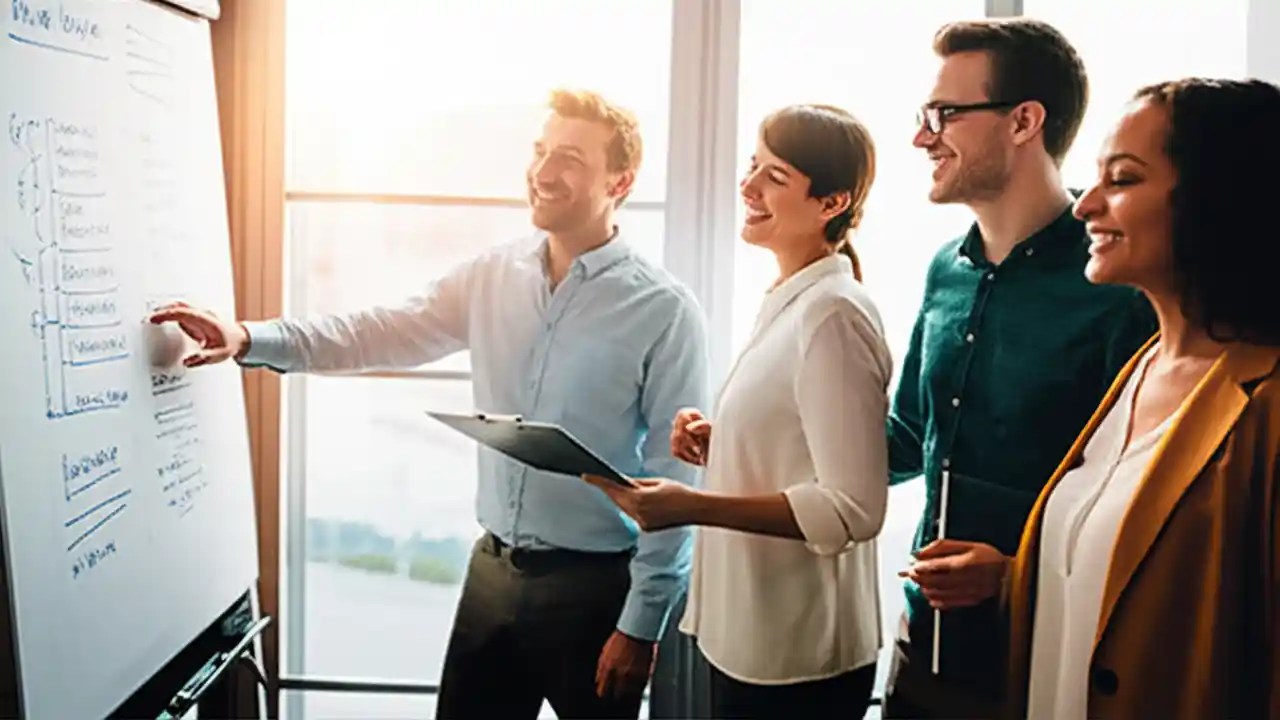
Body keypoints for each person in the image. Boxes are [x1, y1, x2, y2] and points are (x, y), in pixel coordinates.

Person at [150, 89, 709, 720]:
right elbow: (380, 330)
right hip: (491, 574)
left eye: (571, 159)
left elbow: (677, 477)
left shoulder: (663, 310)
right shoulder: (491, 275)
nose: (544, 171)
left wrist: (642, 623)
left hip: (600, 591)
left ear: (621, 179)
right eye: (540, 150)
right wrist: (249, 337)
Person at [927, 77, 1280, 720]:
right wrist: (1016, 578)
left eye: (1122, 179)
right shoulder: (1142, 369)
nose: (1086, 205)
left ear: (1220, 197)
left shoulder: (1267, 406)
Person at [884, 18, 1156, 718]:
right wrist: (742, 444)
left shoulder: (1119, 289)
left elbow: (1145, 509)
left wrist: (1017, 573)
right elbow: (907, 441)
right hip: (922, 644)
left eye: (943, 114)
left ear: (1023, 121)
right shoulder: (943, 270)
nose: (922, 136)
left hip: (1050, 653)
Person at [583, 104, 889, 720]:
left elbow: (853, 509)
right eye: (753, 167)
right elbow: (803, 440)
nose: (747, 186)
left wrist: (689, 506)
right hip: (753, 637)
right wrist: (727, 441)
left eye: (775, 177)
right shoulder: (793, 300)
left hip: (796, 656)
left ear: (832, 202)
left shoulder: (832, 314)